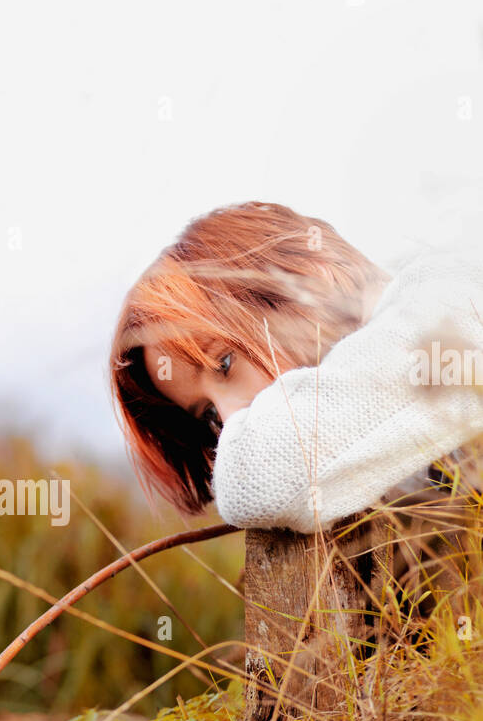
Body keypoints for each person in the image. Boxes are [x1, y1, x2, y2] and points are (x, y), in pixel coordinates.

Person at [110, 201, 483, 540]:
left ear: (312, 277)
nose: (229, 419)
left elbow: (262, 476)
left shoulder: (451, 296)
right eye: (208, 414)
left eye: (224, 363)